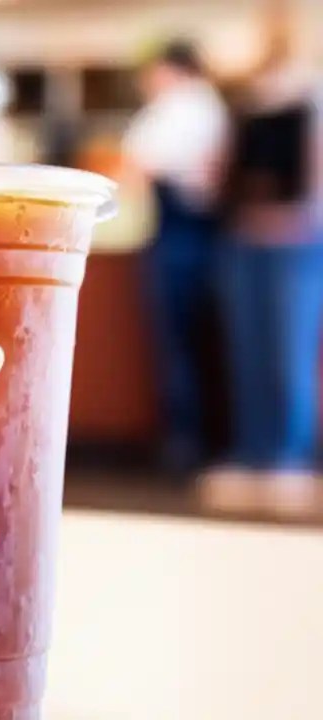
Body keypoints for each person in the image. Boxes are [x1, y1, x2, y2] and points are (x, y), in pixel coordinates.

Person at [205, 27, 323, 516]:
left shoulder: (310, 97)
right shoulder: (246, 103)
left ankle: (287, 459)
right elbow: (223, 171)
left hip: (295, 243)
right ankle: (255, 456)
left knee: (286, 356)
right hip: (244, 239)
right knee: (247, 353)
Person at [123, 41, 228, 474]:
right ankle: (205, 440)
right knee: (203, 342)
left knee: (178, 342)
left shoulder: (180, 108)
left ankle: (184, 443)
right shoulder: (213, 108)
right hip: (209, 236)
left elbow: (137, 166)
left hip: (181, 236)